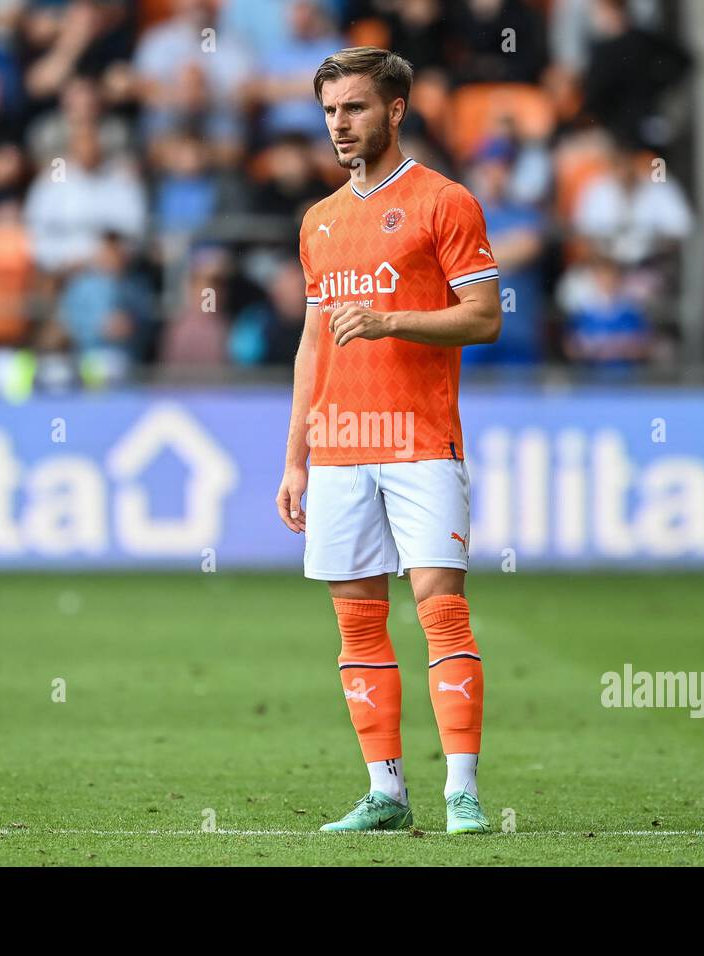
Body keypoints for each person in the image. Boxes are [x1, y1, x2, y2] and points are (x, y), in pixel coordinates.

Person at [276, 47, 502, 835]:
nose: (340, 124)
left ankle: (463, 794)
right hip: (337, 446)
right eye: (331, 111)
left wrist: (391, 319)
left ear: (395, 110)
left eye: (356, 108)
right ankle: (386, 791)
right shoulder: (319, 220)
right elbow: (312, 345)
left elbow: (485, 316)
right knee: (358, 625)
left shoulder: (445, 202)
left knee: (441, 609)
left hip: (418, 441)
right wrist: (295, 456)